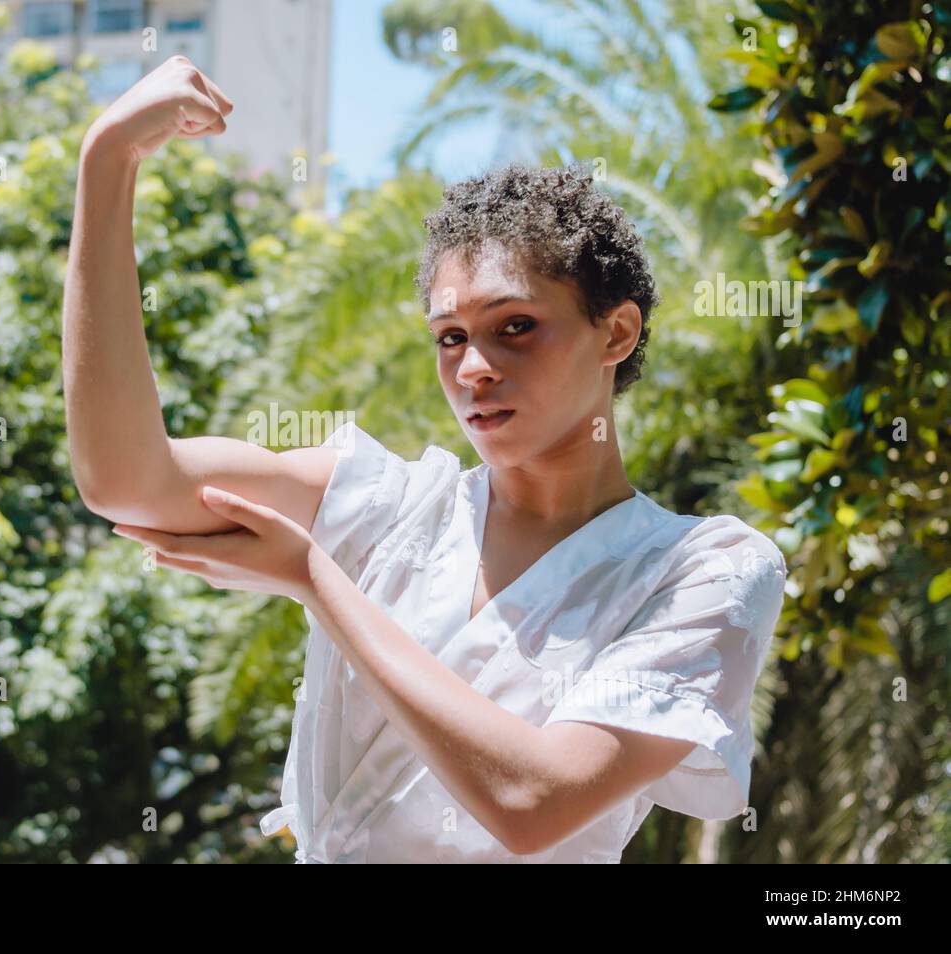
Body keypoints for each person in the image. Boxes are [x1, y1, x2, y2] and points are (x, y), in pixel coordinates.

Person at [63, 55, 789, 863]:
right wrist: (107, 162)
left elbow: (534, 802)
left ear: (614, 334)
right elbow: (125, 477)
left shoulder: (704, 569)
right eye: (451, 337)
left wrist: (315, 581)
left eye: (515, 325)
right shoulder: (389, 506)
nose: (473, 367)